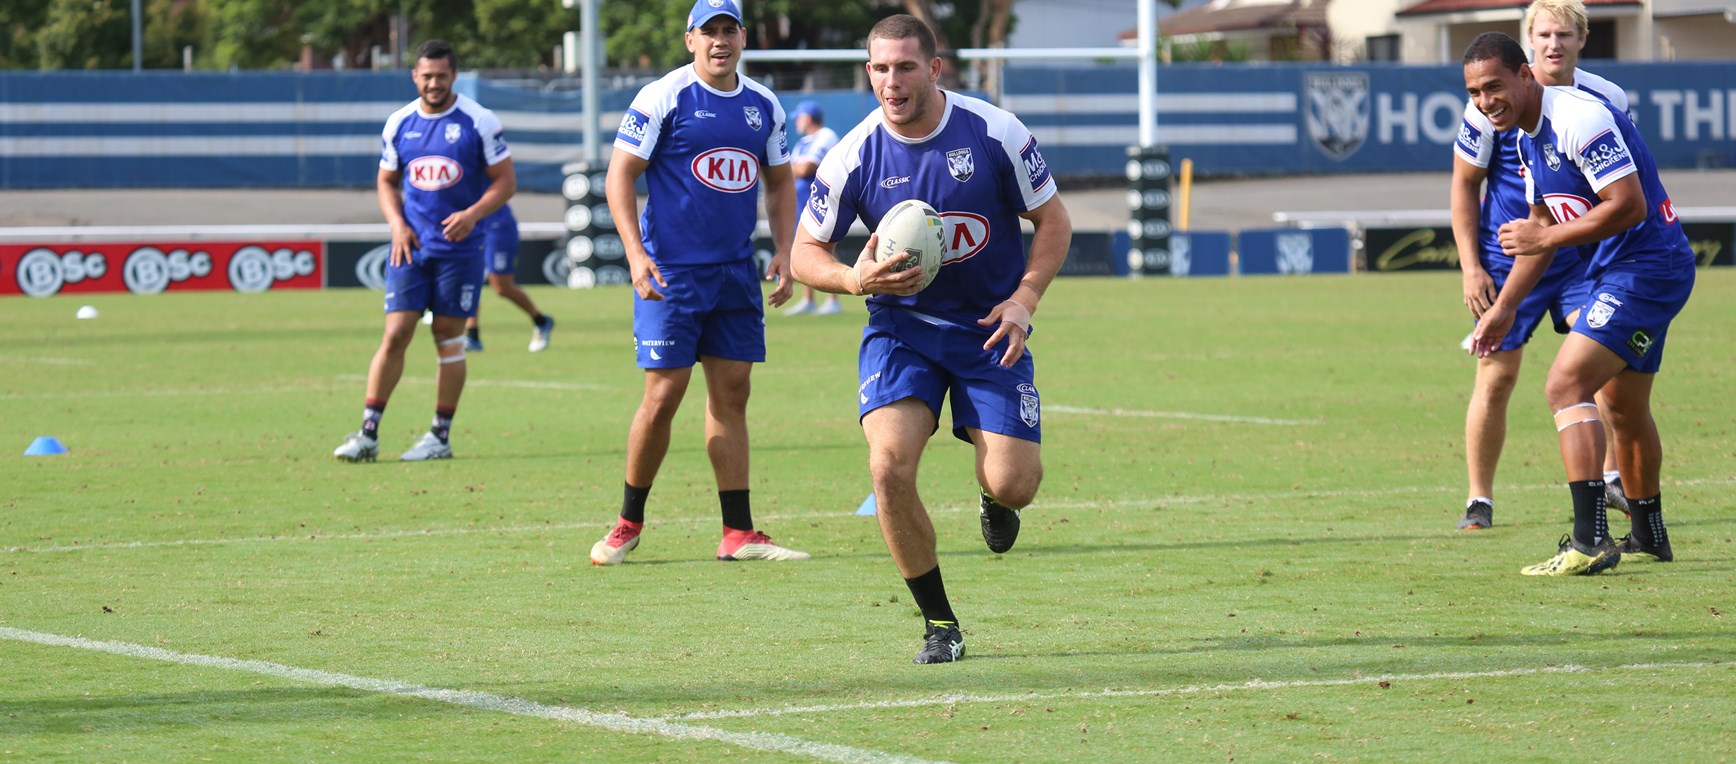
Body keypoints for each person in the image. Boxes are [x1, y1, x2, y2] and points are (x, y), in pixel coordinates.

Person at [790, 14, 1073, 663]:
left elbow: (1053, 221)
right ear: (869, 74)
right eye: (881, 69)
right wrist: (850, 278)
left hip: (987, 331)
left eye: (906, 67)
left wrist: (1024, 300)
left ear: (934, 69)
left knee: (1015, 485)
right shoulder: (853, 155)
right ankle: (940, 626)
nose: (893, 81)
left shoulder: (994, 132)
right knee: (888, 467)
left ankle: (990, 492)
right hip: (901, 332)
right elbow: (805, 249)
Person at [587, 0, 808, 565]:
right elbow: (620, 174)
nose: (719, 41)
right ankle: (627, 523)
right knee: (662, 397)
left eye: (728, 30)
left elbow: (780, 184)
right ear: (690, 40)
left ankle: (738, 532)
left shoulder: (764, 105)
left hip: (736, 275)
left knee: (732, 396)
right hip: (671, 274)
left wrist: (785, 250)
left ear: (741, 39)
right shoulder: (662, 97)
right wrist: (635, 255)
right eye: (708, 31)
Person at [1463, 31, 1693, 575]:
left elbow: (1628, 205)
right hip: (1623, 270)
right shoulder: (1524, 139)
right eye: (1474, 92)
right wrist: (1504, 308)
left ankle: (1590, 541)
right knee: (1623, 407)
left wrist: (1543, 240)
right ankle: (1650, 534)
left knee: (1565, 385)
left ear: (1525, 75)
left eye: (1494, 85)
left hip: (1648, 269)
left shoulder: (1577, 118)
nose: (1485, 101)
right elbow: (1540, 229)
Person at [1449, 0, 1631, 530]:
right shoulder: (1492, 100)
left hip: (1580, 258)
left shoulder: (1606, 99)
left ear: (1582, 40)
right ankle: (1479, 500)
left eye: (1565, 34)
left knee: (1604, 369)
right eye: (1544, 33)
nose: (1555, 43)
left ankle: (1612, 479)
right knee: (1496, 375)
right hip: (1511, 263)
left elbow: (1624, 184)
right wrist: (1471, 267)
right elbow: (1464, 185)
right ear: (1529, 43)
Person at [334, 39, 514, 463]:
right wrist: (397, 225)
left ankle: (439, 436)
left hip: (460, 250)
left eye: (441, 76)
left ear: (454, 76)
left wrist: (472, 214)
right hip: (410, 249)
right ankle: (368, 434)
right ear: (414, 76)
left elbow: (505, 181)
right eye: (426, 76)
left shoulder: (478, 121)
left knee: (447, 339)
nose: (434, 84)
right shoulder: (399, 123)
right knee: (395, 334)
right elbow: (385, 181)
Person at [463, 204, 556, 353]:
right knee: (468, 280)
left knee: (501, 287)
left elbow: (506, 185)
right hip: (468, 226)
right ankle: (472, 336)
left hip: (496, 227)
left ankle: (541, 321)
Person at [783, 100, 842, 316]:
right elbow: (788, 172)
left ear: (807, 117)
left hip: (818, 200)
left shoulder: (825, 135)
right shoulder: (803, 143)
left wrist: (795, 170)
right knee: (803, 247)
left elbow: (806, 168)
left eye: (799, 117)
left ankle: (833, 299)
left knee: (824, 246)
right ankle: (808, 300)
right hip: (800, 200)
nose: (797, 122)